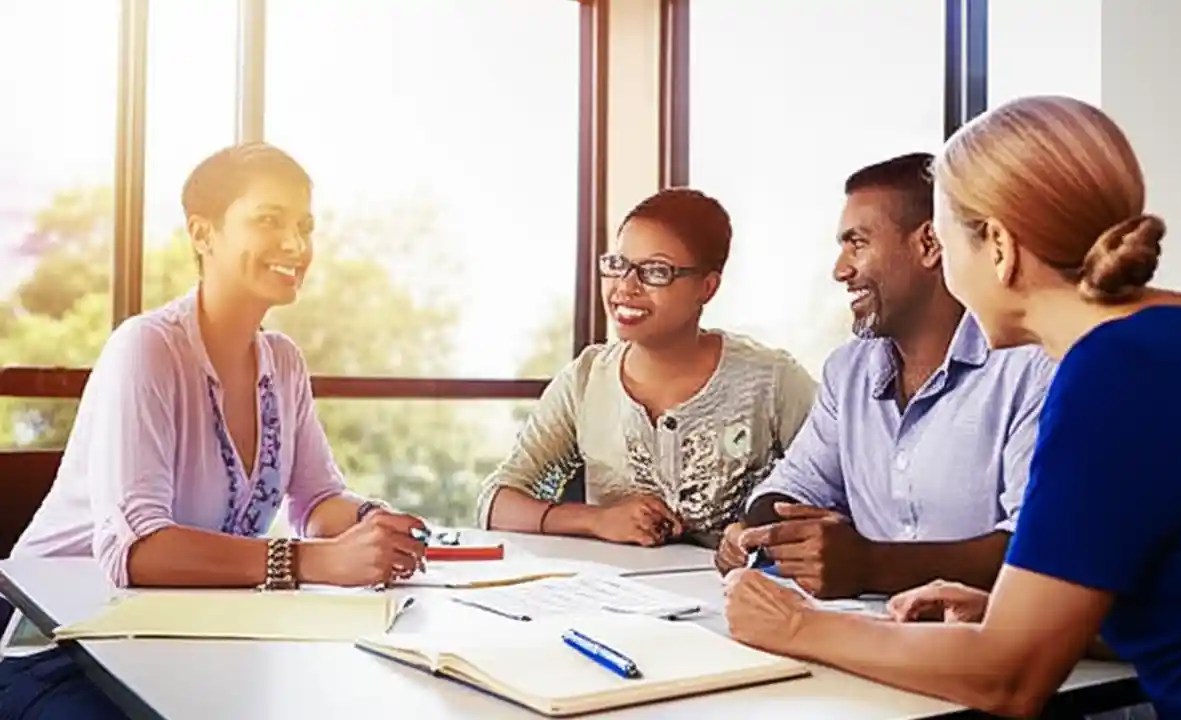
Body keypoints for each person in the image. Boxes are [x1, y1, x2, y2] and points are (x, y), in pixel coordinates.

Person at [723, 95, 1181, 718]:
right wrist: (1006, 611)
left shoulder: (1113, 375)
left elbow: (1008, 682)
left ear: (997, 245)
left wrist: (797, 626)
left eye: (948, 235)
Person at [0, 143, 428, 720]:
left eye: (305, 226)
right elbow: (139, 551)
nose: (296, 246)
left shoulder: (283, 362)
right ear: (203, 234)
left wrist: (371, 524)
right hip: (60, 648)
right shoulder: (146, 347)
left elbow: (318, 499)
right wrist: (319, 562)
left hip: (188, 644)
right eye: (268, 220)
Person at [714, 153, 1055, 599]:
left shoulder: (1030, 367)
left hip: (999, 647)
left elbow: (1038, 548)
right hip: (875, 634)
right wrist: (758, 536)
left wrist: (871, 566)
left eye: (857, 243)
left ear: (930, 245)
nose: (841, 270)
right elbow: (790, 488)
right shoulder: (848, 371)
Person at [477, 188, 816, 548]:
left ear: (707, 287)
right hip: (616, 597)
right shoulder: (587, 379)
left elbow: (837, 491)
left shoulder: (772, 380)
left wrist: (754, 531)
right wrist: (597, 520)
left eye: (656, 271)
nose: (625, 286)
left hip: (744, 595)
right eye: (618, 265)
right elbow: (497, 502)